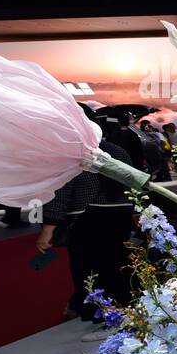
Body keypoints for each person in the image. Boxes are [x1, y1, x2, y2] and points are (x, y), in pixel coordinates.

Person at [37, 134, 136, 335]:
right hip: (121, 213)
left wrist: (48, 227)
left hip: (88, 217)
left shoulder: (73, 154)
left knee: (88, 270)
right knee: (116, 263)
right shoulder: (117, 150)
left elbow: (61, 192)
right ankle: (123, 311)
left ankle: (103, 317)